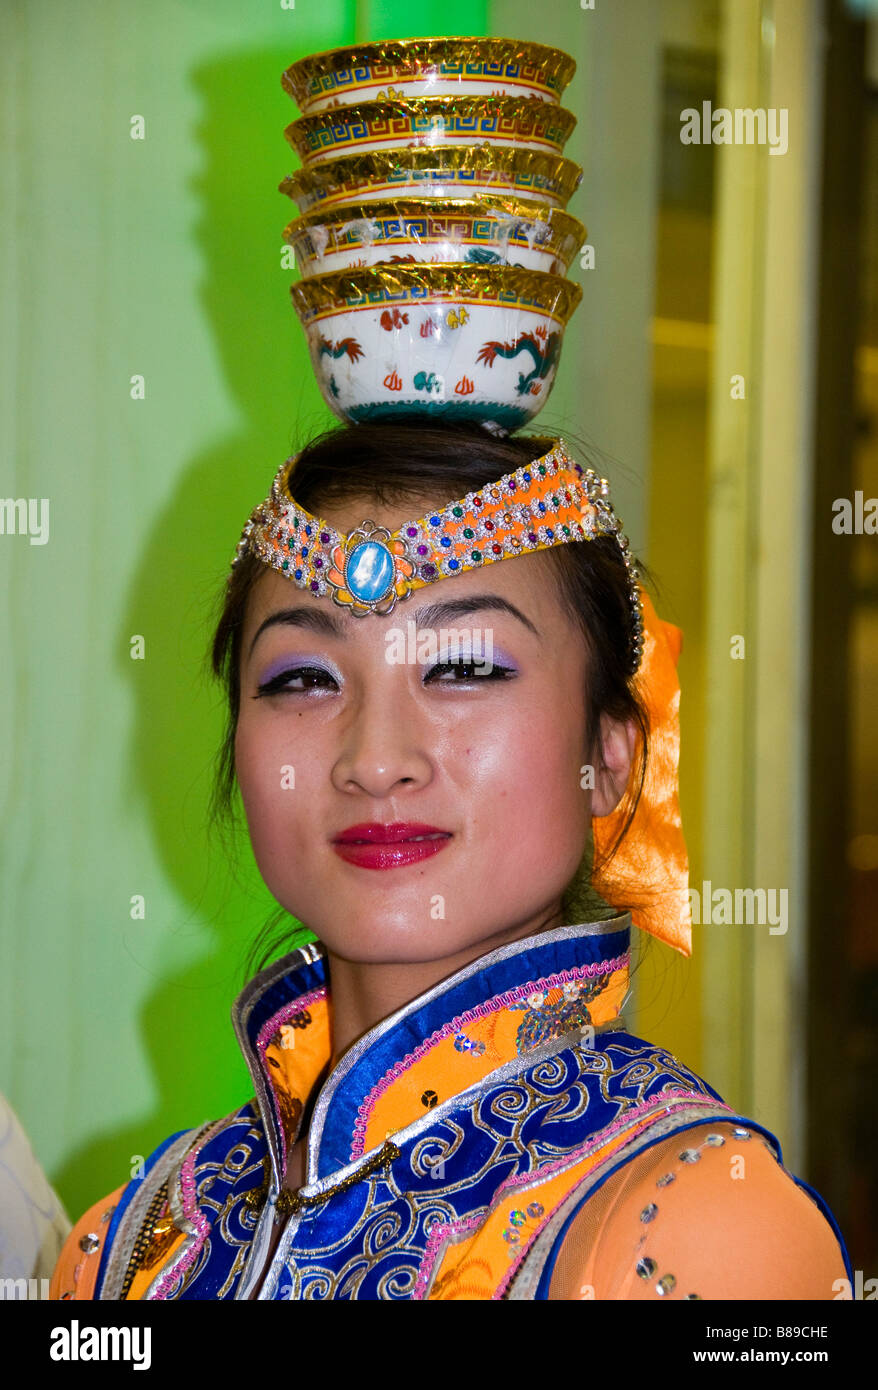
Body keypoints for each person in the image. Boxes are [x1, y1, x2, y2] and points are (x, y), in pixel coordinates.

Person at [50, 419, 852, 1300]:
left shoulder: (696, 1227)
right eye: (305, 678)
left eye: (464, 667)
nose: (375, 758)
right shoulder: (134, 1241)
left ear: (614, 755)